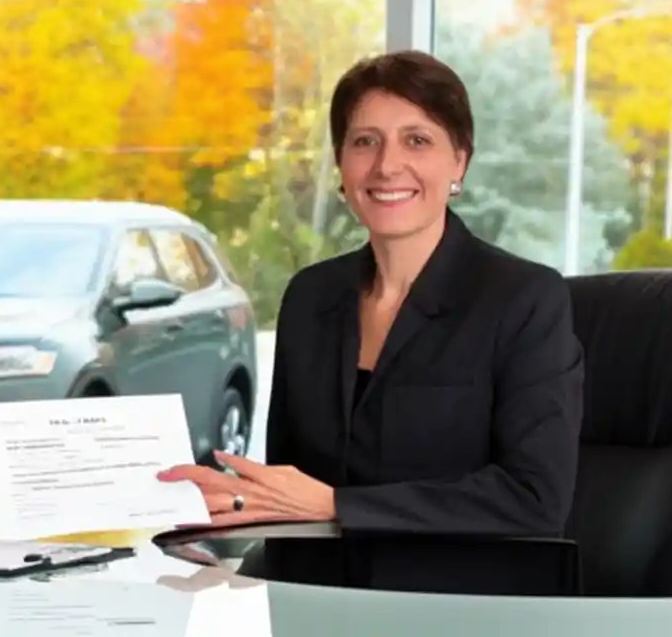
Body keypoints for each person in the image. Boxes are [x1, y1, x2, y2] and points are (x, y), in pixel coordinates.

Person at [159, 50, 585, 537]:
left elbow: (535, 500)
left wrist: (337, 504)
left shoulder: (523, 299)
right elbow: (290, 492)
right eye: (365, 142)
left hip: (461, 597)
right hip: (318, 590)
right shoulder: (311, 297)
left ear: (458, 163)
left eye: (417, 140)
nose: (387, 165)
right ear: (342, 162)